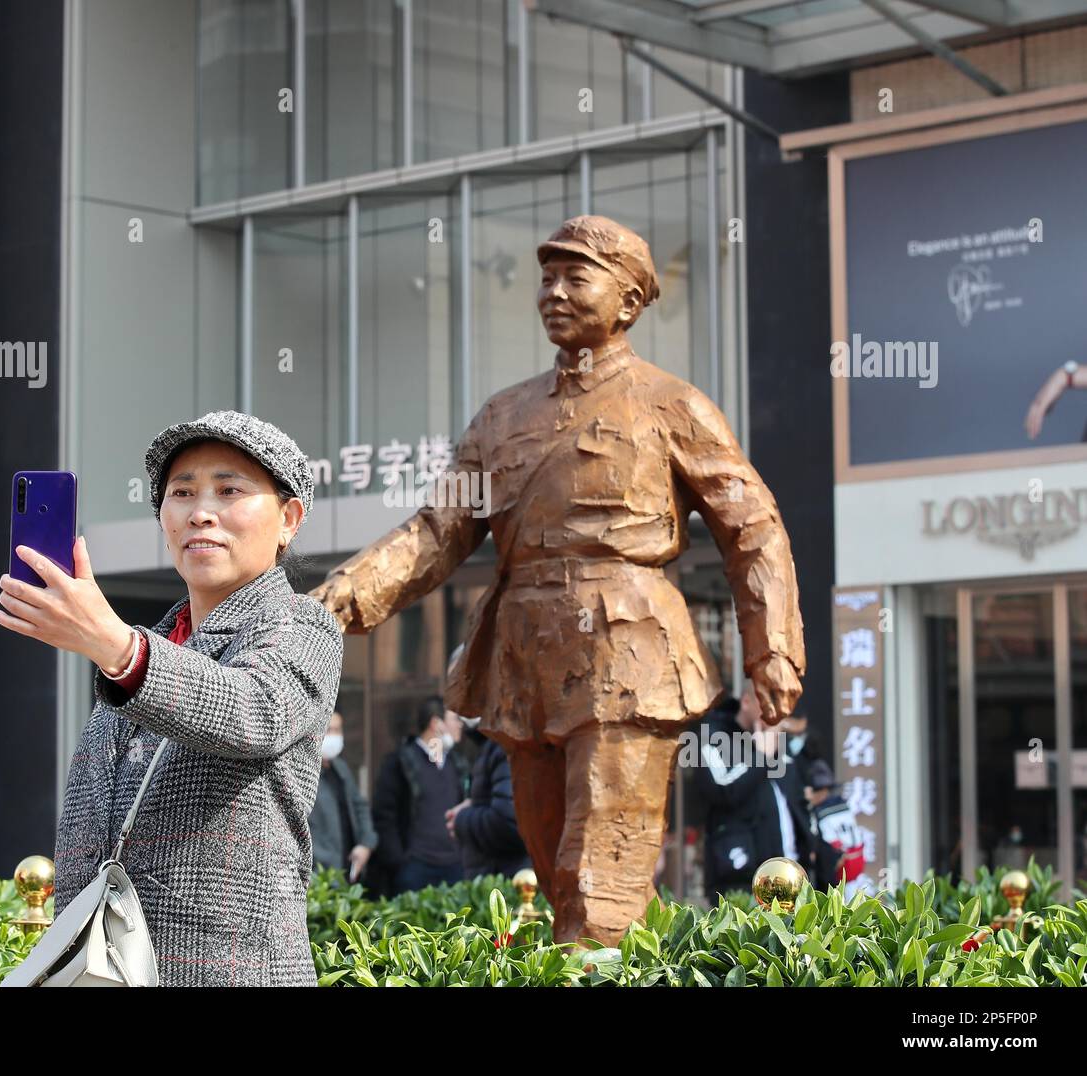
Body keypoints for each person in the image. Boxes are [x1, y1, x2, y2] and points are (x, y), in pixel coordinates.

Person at [311, 215, 804, 944]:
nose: (553, 292)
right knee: (555, 871)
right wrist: (333, 603)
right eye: (546, 278)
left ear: (630, 302)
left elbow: (752, 525)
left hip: (629, 648)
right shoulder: (502, 415)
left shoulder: (672, 404)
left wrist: (773, 649)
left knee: (600, 880)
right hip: (524, 655)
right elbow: (437, 533)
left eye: (576, 277)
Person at [0, 410, 343, 987]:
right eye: (182, 492)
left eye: (229, 490)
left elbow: (252, 711)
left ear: (289, 518)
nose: (200, 510)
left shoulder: (302, 626)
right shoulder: (146, 649)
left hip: (237, 972)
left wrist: (116, 646)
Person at [693, 688, 813, 900]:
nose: (774, 714)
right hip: (741, 876)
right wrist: (760, 757)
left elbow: (798, 802)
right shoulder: (712, 736)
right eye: (767, 706)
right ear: (747, 702)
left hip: (792, 875)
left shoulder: (777, 743)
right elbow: (723, 790)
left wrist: (813, 849)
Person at [370, 697, 470, 895]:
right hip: (415, 869)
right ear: (436, 723)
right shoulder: (401, 762)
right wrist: (399, 862)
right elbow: (384, 815)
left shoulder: (457, 764)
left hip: (454, 868)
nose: (460, 724)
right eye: (454, 719)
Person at [447, 715, 531, 881]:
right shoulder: (492, 743)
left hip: (511, 883)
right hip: (500, 878)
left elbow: (509, 821)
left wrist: (460, 820)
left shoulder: (505, 741)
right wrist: (473, 806)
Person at [309, 711, 377, 882]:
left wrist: (365, 843)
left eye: (338, 730)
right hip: (318, 875)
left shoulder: (341, 768)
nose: (335, 736)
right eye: (329, 730)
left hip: (346, 870)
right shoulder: (306, 772)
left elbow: (359, 805)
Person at [804, 758, 865, 894]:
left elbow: (825, 848)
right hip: (856, 864)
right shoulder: (843, 805)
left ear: (822, 791)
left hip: (839, 869)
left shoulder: (820, 813)